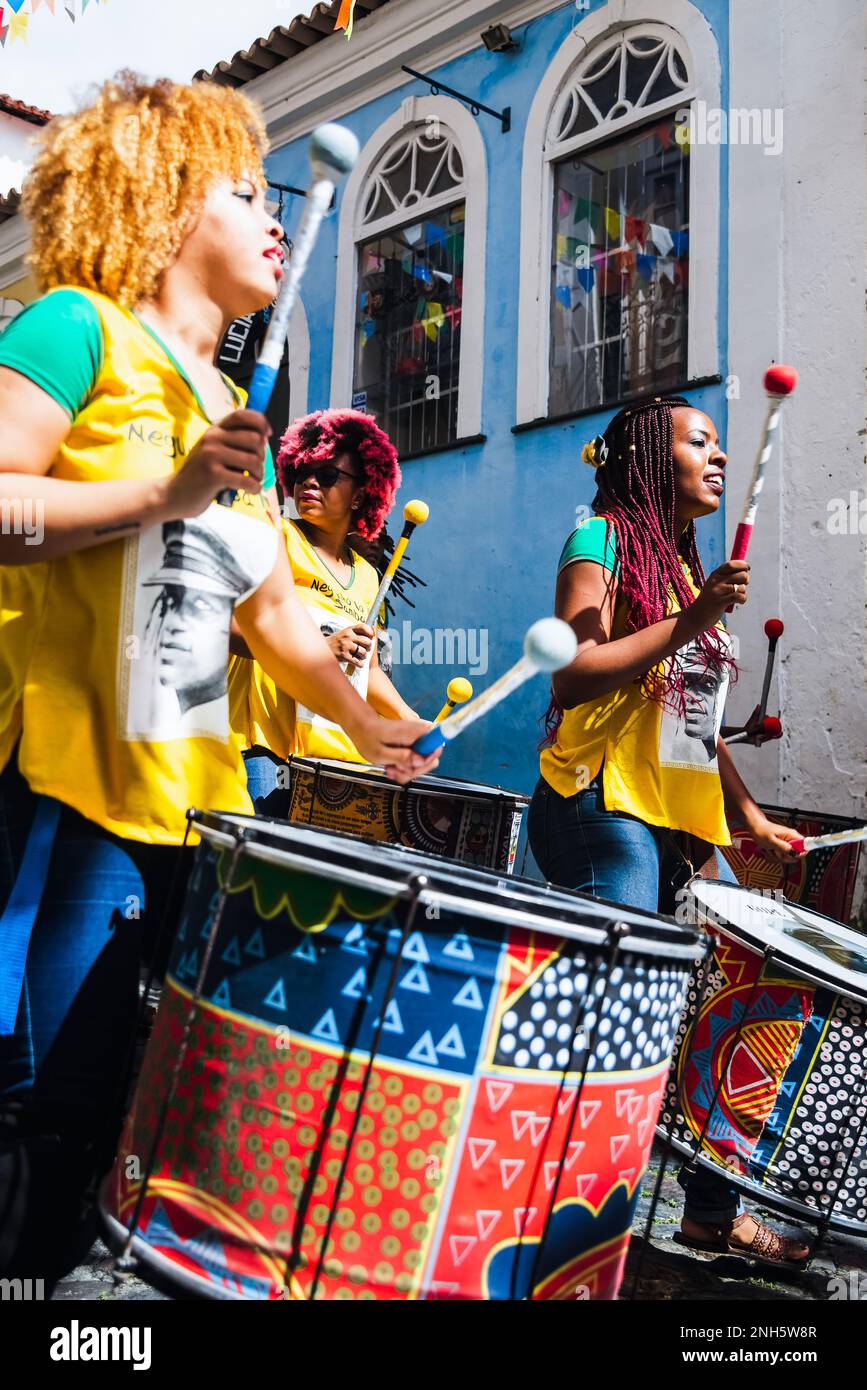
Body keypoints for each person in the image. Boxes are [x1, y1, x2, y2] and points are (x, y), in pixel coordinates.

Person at [0, 73, 439, 1280]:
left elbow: (278, 623)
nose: (273, 209)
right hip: (64, 796)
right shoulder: (72, 326)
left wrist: (372, 722)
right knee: (49, 1101)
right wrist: (167, 490)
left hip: (197, 812)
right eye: (242, 189)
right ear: (154, 200)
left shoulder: (233, 411)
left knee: (139, 1114)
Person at [528, 394, 810, 1266]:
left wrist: (749, 818)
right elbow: (572, 672)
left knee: (726, 1009)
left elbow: (691, 721)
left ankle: (707, 1213)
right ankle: (559, 1221)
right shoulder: (601, 540)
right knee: (621, 1016)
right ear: (649, 457)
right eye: (699, 442)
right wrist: (690, 622)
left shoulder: (686, 570)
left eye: (722, 444)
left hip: (674, 827)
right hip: (599, 811)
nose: (718, 457)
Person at [229, 408, 420, 811]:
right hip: (264, 745)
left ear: (361, 492)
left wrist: (409, 719)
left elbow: (365, 668)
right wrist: (319, 649)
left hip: (331, 758)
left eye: (328, 474)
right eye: (301, 473)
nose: (309, 482)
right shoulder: (275, 535)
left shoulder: (368, 577)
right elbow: (231, 624)